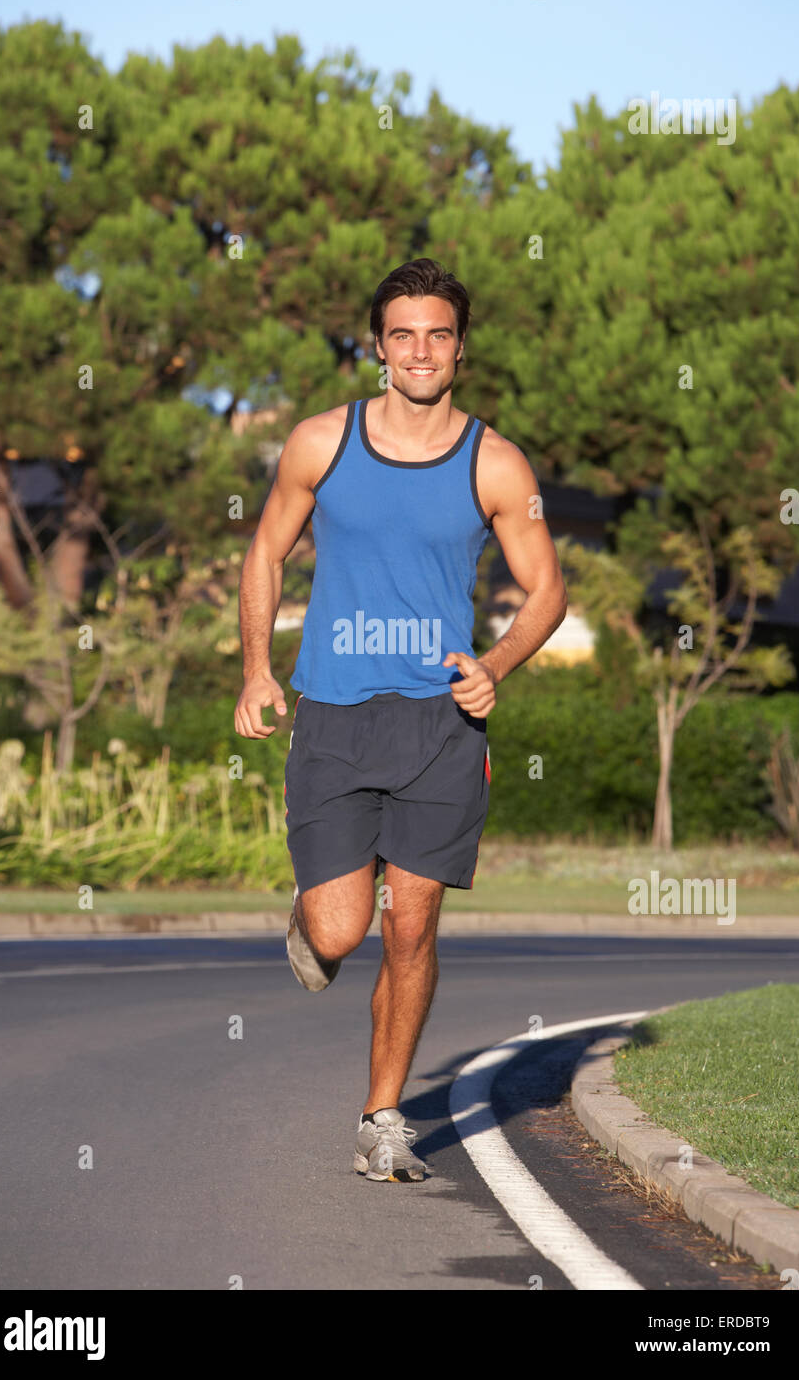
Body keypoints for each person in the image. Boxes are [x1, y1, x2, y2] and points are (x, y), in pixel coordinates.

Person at [234, 258, 567, 1182]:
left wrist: (493, 665)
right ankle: (311, 920)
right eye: (402, 334)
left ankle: (383, 1116)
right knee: (342, 932)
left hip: (439, 729)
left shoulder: (494, 462)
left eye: (439, 334)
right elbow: (264, 551)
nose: (421, 351)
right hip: (335, 714)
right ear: (377, 346)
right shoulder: (320, 444)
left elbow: (546, 590)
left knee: (411, 928)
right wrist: (257, 669)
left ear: (460, 345)